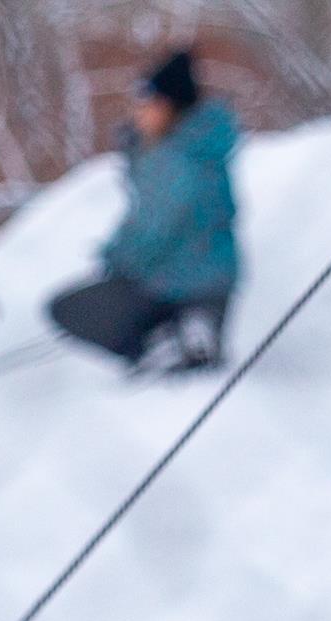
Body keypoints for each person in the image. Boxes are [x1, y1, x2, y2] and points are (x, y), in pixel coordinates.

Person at [47, 49, 241, 377]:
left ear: (168, 106)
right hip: (212, 279)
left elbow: (154, 226)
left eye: (145, 104)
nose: (138, 113)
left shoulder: (173, 158)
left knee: (67, 308)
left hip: (171, 280)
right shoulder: (198, 145)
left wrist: (117, 261)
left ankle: (163, 346)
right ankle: (189, 329)